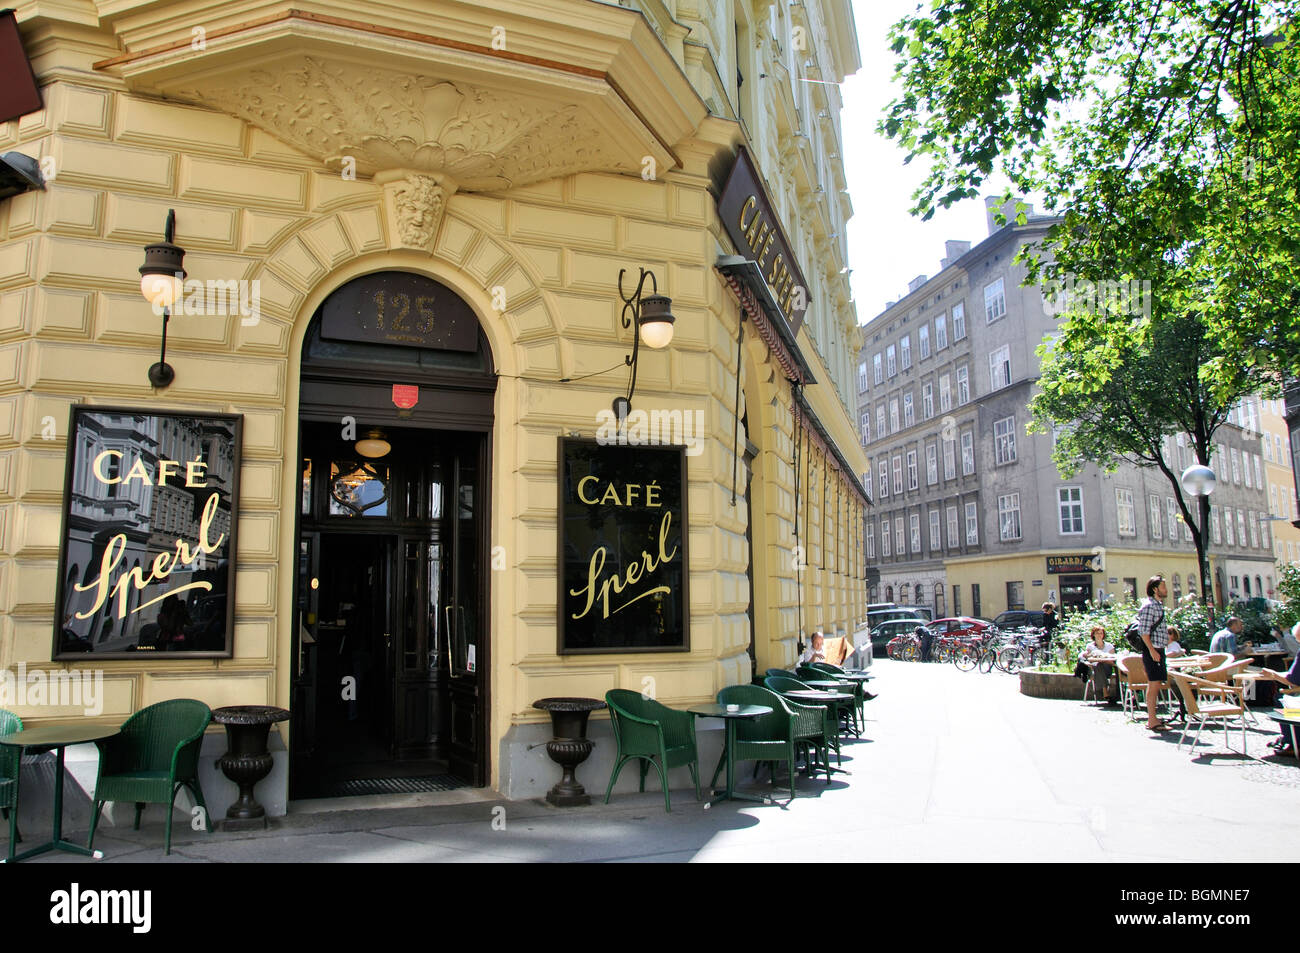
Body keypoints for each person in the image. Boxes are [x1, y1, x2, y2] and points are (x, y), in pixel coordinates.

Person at [1135, 575, 1171, 731]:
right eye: (1163, 587)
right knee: (1154, 683)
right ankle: (1152, 719)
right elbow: (1144, 631)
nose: (1166, 590)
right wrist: (1152, 650)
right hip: (1153, 649)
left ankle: (1153, 718)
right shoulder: (1150, 606)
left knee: (1155, 683)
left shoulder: (1157, 605)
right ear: (1155, 589)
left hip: (1157, 648)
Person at [1078, 625, 1117, 704]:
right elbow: (1089, 659)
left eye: (1101, 633)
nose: (1099, 635)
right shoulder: (1090, 646)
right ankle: (1105, 691)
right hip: (1094, 669)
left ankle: (1101, 691)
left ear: (1103, 635)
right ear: (1093, 635)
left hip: (1107, 669)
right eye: (1097, 633)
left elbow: (1112, 660)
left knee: (1101, 665)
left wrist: (1103, 658)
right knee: (1098, 665)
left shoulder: (1109, 646)